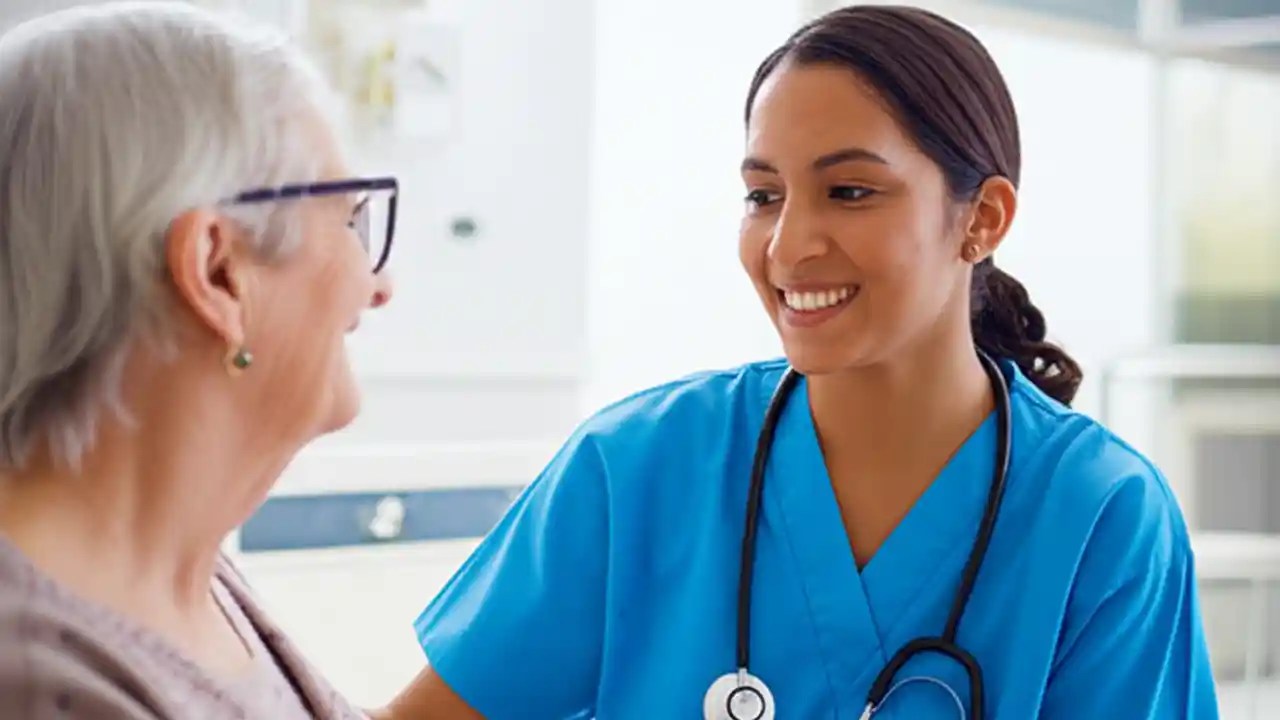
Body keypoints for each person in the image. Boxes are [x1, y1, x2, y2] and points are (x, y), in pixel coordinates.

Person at [384, 6, 1220, 720]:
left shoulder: (1099, 519)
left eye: (849, 192)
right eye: (763, 195)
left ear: (983, 218)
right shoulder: (636, 469)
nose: (787, 246)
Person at [0, 3, 398, 718]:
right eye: (349, 219)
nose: (381, 285)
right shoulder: (35, 679)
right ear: (218, 273)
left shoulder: (184, 579)